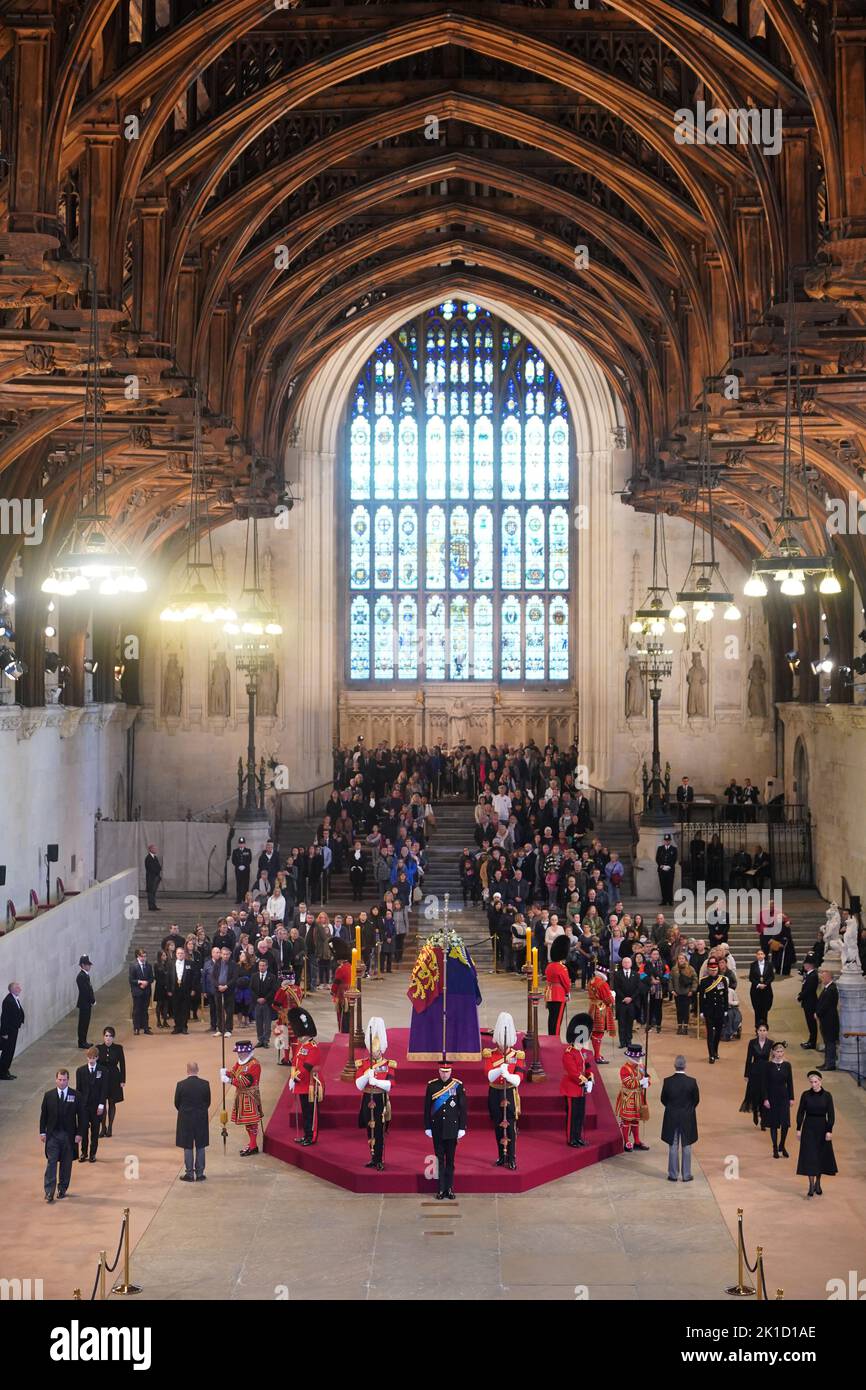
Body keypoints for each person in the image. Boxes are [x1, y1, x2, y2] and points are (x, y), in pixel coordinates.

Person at [354, 1016, 396, 1170]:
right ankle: (372, 1156)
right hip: (367, 1098)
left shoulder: (388, 1064)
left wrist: (376, 1082)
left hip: (380, 1099)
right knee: (369, 1128)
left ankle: (379, 1158)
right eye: (373, 1051)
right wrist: (366, 1075)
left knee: (379, 1129)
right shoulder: (364, 1063)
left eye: (377, 1051)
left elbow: (390, 1084)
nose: (375, 1054)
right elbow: (358, 1085)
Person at [424, 1057, 467, 1200]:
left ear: (451, 1071)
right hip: (437, 1129)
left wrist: (462, 1127)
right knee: (439, 1160)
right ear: (438, 1071)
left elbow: (463, 1108)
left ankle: (450, 1188)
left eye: (447, 1071)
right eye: (442, 1071)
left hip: (452, 1129)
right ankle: (441, 1189)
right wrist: (428, 1126)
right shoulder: (432, 1086)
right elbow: (426, 1109)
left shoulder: (458, 1086)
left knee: (450, 1161)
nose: (444, 1074)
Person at [485, 1012, 523, 1170]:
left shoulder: (517, 1055)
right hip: (495, 1093)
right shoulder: (490, 1054)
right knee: (497, 1126)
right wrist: (500, 1070)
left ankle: (512, 1157)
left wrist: (508, 1075)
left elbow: (519, 1077)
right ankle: (501, 1156)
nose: (503, 1045)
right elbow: (488, 1075)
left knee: (511, 1128)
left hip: (510, 1093)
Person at [39, 1069, 81, 1202]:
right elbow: (43, 1116)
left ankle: (62, 1188)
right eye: (60, 1080)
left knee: (66, 1164)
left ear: (68, 1080)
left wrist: (79, 1133)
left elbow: (82, 1116)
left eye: (64, 1080)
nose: (62, 1082)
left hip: (68, 1137)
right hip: (53, 1136)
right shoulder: (48, 1095)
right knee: (51, 1163)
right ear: (56, 1079)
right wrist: (42, 1132)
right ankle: (49, 1192)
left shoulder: (75, 1095)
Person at [796, 1070, 837, 1197]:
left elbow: (831, 1115)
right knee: (809, 1156)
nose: (813, 1084)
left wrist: (829, 1130)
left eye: (816, 1082)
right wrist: (798, 1128)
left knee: (820, 1156)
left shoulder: (827, 1096)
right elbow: (800, 1112)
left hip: (822, 1128)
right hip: (808, 1128)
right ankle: (811, 1184)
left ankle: (818, 1183)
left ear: (820, 1081)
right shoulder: (806, 1095)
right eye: (811, 1082)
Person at [660, 1055, 699, 1181]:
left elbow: (663, 1099)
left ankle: (673, 1174)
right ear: (685, 1065)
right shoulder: (692, 1082)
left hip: (672, 1116)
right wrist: (688, 1109)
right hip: (687, 1117)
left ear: (674, 1065)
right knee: (686, 1145)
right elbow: (696, 1100)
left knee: (673, 1145)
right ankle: (686, 1175)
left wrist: (672, 1107)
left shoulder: (668, 1081)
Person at [223, 1040, 264, 1156]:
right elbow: (234, 1072)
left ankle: (253, 1145)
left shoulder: (254, 1064)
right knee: (248, 1123)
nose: (240, 1055)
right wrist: (226, 1073)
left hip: (250, 1096)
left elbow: (245, 1082)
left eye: (242, 1053)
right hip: (241, 1096)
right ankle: (252, 1144)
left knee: (252, 1122)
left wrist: (230, 1080)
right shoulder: (240, 1062)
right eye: (239, 1053)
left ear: (248, 1052)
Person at [287, 1006, 321, 1146]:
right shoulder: (302, 1047)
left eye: (300, 1035)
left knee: (311, 1114)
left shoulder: (313, 1048)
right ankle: (306, 1134)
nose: (299, 1037)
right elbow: (295, 1062)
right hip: (302, 1085)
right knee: (305, 1112)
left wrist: (295, 1078)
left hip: (310, 1085)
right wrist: (292, 1076)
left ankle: (311, 1136)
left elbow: (307, 1066)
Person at [560, 1012, 594, 1147]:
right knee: (572, 1117)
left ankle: (578, 1137)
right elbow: (574, 1073)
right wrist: (585, 1082)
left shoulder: (581, 1052)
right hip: (572, 1089)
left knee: (580, 1115)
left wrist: (590, 1077)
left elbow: (588, 1066)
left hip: (581, 1090)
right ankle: (571, 1139)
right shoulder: (569, 1053)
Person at [175, 1060, 211, 1182]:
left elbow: (177, 1103)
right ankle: (200, 1174)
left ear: (187, 1070)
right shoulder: (205, 1084)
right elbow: (208, 1102)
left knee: (188, 1146)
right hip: (201, 1118)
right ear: (197, 1070)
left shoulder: (181, 1085)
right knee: (200, 1146)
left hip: (186, 1119)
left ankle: (189, 1174)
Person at [761, 1040, 794, 1158]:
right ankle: (774, 1147)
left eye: (781, 1051)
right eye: (778, 1051)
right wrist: (765, 1099)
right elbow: (764, 1083)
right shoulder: (768, 1065)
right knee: (774, 1124)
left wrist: (791, 1098)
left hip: (784, 1096)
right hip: (772, 1096)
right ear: (773, 1052)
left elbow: (790, 1082)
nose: (780, 1053)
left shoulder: (787, 1065)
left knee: (785, 1123)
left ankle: (782, 1145)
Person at [615, 1043, 650, 1151]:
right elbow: (629, 1084)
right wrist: (640, 1082)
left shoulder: (641, 1067)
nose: (638, 1058)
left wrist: (647, 1082)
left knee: (636, 1120)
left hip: (638, 1097)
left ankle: (637, 1141)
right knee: (626, 1121)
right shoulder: (624, 1069)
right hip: (628, 1097)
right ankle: (626, 1141)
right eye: (636, 1057)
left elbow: (647, 1078)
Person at [75, 1047, 107, 1163]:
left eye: (93, 1058)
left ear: (97, 1058)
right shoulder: (80, 1071)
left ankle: (93, 1154)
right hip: (84, 1106)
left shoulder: (103, 1070)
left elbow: (104, 1090)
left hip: (96, 1106)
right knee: (83, 1131)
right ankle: (84, 1153)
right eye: (89, 1058)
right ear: (86, 1057)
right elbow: (78, 1090)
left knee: (95, 1131)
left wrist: (101, 1105)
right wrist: (78, 1106)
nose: (91, 1060)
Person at [740, 1022, 772, 1128]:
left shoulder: (771, 1043)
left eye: (764, 1030)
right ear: (757, 1032)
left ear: (767, 1032)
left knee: (764, 1094)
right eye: (760, 1030)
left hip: (766, 1071)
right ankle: (755, 1111)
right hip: (755, 1071)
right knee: (755, 1093)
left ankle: (763, 1119)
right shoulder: (752, 1042)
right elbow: (749, 1058)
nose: (762, 1033)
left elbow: (773, 1058)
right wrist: (746, 1074)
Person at [698, 956, 729, 1063]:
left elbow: (725, 995)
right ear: (708, 970)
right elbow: (701, 998)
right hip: (709, 1011)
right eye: (711, 970)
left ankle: (715, 1051)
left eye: (715, 970)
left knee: (718, 1033)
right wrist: (701, 1011)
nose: (713, 971)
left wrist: (725, 1009)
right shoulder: (704, 981)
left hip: (720, 1011)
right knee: (710, 1034)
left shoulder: (723, 980)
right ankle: (711, 1055)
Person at [96, 1027, 126, 1138]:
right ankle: (102, 1127)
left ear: (113, 1037)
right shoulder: (99, 1048)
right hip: (102, 1079)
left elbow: (122, 1064)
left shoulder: (118, 1048)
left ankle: (110, 1127)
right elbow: (97, 1065)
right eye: (106, 1036)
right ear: (103, 1037)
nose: (108, 1038)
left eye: (110, 1036)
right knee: (102, 1104)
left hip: (114, 1078)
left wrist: (123, 1080)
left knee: (112, 1102)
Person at [587, 966, 615, 1063]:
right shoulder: (602, 984)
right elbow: (608, 1000)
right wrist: (612, 996)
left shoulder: (591, 981)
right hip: (601, 1009)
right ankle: (597, 1056)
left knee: (595, 1031)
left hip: (592, 1008)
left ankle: (597, 1054)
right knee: (598, 1032)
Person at [545, 935, 571, 1037]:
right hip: (559, 995)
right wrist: (567, 992)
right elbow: (566, 983)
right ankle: (555, 1038)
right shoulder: (562, 967)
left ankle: (551, 1037)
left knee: (551, 1018)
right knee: (557, 1020)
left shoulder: (549, 966)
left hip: (550, 994)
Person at [252, 953, 277, 1049]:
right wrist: (257, 999)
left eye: (263, 965)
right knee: (258, 1022)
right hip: (257, 1003)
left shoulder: (272, 977)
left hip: (267, 1003)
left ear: (267, 966)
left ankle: (266, 1040)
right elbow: (251, 989)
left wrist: (265, 999)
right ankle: (260, 1040)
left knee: (267, 1022)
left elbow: (273, 990)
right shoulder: (254, 976)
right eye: (260, 965)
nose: (261, 967)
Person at [815, 969, 839, 1070]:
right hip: (825, 1020)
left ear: (829, 977)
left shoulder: (831, 989)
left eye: (823, 977)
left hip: (830, 1020)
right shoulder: (827, 988)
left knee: (830, 1043)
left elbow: (826, 1005)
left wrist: (818, 1013)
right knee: (827, 1042)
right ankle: (826, 1063)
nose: (822, 978)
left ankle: (830, 1064)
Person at [0, 981, 24, 1080]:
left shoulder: (14, 999)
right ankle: (2, 1072)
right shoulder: (8, 1001)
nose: (20, 989)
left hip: (13, 1029)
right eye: (18, 988)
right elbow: (4, 1018)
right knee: (7, 1052)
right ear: (12, 989)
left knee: (10, 1051)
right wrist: (4, 1033)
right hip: (8, 1031)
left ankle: (6, 1070)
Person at [613, 956, 639, 1049]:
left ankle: (629, 1041)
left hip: (632, 1002)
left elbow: (637, 989)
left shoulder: (636, 974)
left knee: (630, 1022)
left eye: (628, 962)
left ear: (631, 964)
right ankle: (622, 1042)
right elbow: (616, 988)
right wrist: (624, 998)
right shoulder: (617, 974)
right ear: (622, 964)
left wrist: (631, 998)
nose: (626, 964)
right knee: (622, 1023)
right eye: (625, 962)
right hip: (621, 1002)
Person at [166, 946, 193, 1034]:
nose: (180, 955)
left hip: (186, 989)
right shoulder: (170, 964)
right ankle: (177, 1027)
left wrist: (193, 989)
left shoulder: (190, 963)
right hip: (175, 989)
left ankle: (184, 1027)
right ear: (176, 954)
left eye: (182, 953)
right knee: (176, 1009)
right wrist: (169, 990)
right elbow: (168, 977)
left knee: (185, 1009)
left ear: (184, 954)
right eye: (178, 953)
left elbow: (194, 977)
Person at [213, 946, 238, 1038]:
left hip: (229, 990)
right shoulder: (217, 964)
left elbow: (234, 978)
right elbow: (213, 977)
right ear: (221, 954)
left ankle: (228, 1030)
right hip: (218, 990)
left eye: (227, 954)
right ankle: (220, 1029)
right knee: (219, 1010)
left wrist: (226, 986)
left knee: (229, 1011)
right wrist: (218, 986)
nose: (225, 956)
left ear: (230, 954)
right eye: (224, 954)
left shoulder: (233, 964)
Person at [670, 953, 697, 1035]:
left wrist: (692, 990)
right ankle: (679, 1026)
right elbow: (670, 980)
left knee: (686, 1010)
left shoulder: (690, 969)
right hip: (677, 993)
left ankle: (685, 1027)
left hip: (687, 993)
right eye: (679, 959)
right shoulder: (674, 969)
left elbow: (695, 980)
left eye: (683, 958)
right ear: (677, 960)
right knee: (679, 1010)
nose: (681, 960)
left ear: (686, 960)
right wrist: (672, 990)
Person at [128, 948, 154, 1035]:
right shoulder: (133, 966)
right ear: (138, 957)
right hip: (137, 991)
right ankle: (136, 1028)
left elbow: (151, 978)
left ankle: (146, 1027)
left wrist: (147, 982)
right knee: (137, 1010)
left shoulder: (148, 966)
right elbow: (131, 980)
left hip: (146, 991)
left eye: (145, 956)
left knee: (145, 1010)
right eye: (142, 956)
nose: (144, 958)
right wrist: (140, 982)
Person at [748, 949, 774, 1029]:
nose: (760, 955)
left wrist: (765, 984)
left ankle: (764, 1027)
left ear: (764, 955)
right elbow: (751, 977)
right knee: (757, 1010)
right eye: (758, 954)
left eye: (761, 954)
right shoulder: (753, 965)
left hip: (766, 991)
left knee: (765, 1010)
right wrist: (758, 984)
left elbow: (772, 977)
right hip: (756, 991)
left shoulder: (769, 965)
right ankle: (757, 1028)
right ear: (756, 956)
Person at [330, 940, 352, 1033]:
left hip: (342, 995)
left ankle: (343, 1033)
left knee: (342, 1017)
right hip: (350, 993)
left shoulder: (340, 969)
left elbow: (336, 984)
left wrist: (332, 992)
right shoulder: (350, 966)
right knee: (348, 1016)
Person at [798, 957, 820, 1050]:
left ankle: (812, 1042)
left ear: (809, 965)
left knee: (811, 1023)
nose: (804, 965)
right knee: (809, 1023)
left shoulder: (813, 976)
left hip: (810, 1002)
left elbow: (809, 990)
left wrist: (800, 996)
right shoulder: (809, 974)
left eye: (805, 964)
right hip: (807, 1002)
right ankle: (810, 1041)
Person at [76, 955, 95, 1049]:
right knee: (83, 1023)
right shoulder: (81, 976)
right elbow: (86, 991)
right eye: (87, 965)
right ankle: (82, 1041)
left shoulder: (85, 975)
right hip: (84, 1003)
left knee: (86, 1022)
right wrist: (92, 1000)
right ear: (83, 965)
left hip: (86, 1003)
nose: (89, 966)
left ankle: (84, 1040)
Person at [655, 833, 677, 906]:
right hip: (661, 870)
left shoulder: (674, 849)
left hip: (670, 870)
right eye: (665, 840)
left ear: (670, 841)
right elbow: (657, 858)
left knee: (669, 885)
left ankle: (670, 900)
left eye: (668, 840)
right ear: (664, 841)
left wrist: (669, 866)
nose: (667, 842)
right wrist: (661, 866)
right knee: (663, 885)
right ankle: (664, 900)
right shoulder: (660, 848)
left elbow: (674, 859)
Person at [231, 836, 252, 903]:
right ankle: (239, 899)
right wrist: (238, 866)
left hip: (246, 870)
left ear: (244, 844)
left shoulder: (248, 851)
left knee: (246, 884)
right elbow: (233, 860)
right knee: (239, 884)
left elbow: (249, 860)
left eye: (242, 843)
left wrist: (244, 866)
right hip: (238, 870)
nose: (241, 844)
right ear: (238, 844)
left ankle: (245, 899)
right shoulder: (235, 851)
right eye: (240, 843)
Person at [144, 844, 162, 910]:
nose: (156, 850)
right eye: (154, 848)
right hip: (151, 878)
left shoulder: (155, 857)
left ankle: (153, 905)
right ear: (150, 849)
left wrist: (157, 871)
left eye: (156, 848)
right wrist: (157, 870)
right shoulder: (148, 858)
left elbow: (159, 867)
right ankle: (151, 906)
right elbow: (151, 868)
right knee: (151, 892)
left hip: (155, 878)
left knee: (153, 892)